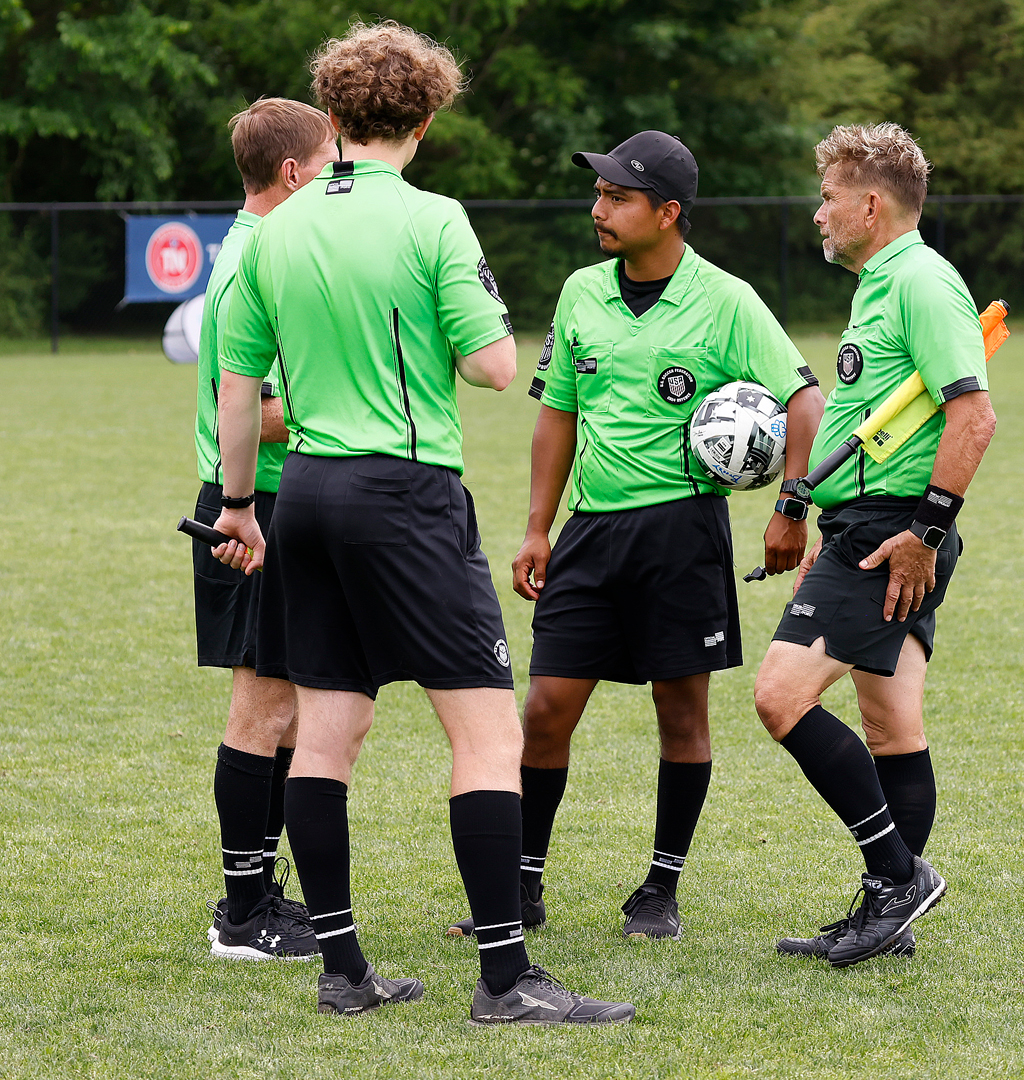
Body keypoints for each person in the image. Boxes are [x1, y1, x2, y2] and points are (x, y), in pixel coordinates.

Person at [211, 21, 634, 1025]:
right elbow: (494, 366)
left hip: (302, 492)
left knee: (326, 733)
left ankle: (344, 970)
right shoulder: (435, 220)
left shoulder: (275, 230)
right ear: (429, 115)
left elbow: (237, 393)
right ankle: (503, 981)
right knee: (486, 734)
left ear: (337, 112)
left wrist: (237, 507)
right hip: (405, 494)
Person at [450, 130, 824, 942]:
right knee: (545, 710)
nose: (600, 209)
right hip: (588, 535)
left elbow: (804, 399)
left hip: (681, 534)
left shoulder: (725, 298)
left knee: (681, 713)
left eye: (618, 197)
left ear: (668, 212)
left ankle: (660, 889)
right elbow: (557, 413)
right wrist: (537, 527)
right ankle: (522, 887)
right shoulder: (582, 291)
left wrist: (791, 507)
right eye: (600, 194)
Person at [754, 123, 996, 967]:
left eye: (827, 198)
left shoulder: (923, 282)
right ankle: (886, 914)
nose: (818, 215)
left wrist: (922, 534)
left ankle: (898, 876)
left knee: (781, 698)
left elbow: (974, 416)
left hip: (894, 528)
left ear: (868, 202)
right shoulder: (881, 284)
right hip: (862, 523)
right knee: (892, 725)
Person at [192, 97, 339, 960]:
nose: (337, 177)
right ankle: (242, 915)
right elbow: (258, 408)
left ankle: (257, 898)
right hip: (255, 501)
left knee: (281, 703)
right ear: (292, 173)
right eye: (328, 161)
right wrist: (365, 405)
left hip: (270, 498)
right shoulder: (260, 262)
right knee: (262, 704)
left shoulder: (252, 248)